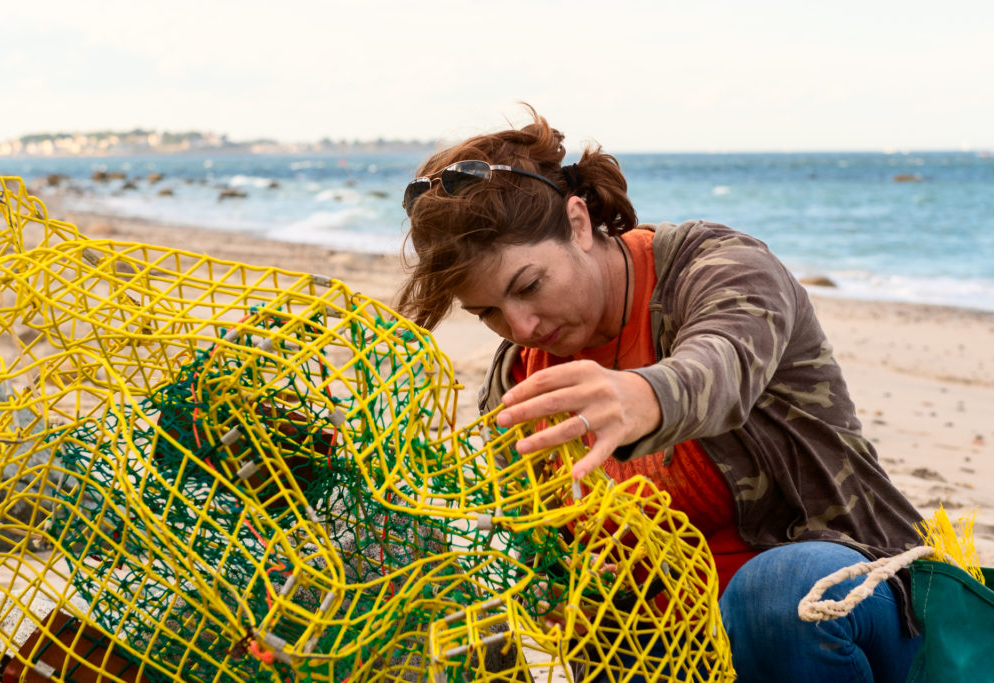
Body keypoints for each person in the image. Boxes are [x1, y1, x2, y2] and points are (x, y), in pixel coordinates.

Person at [396, 106, 925, 682]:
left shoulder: (720, 268)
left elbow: (724, 365)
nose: (520, 326)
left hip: (842, 606)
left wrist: (643, 396)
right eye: (488, 313)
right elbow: (527, 548)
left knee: (775, 592)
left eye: (529, 285)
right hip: (663, 653)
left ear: (578, 222)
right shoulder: (518, 377)